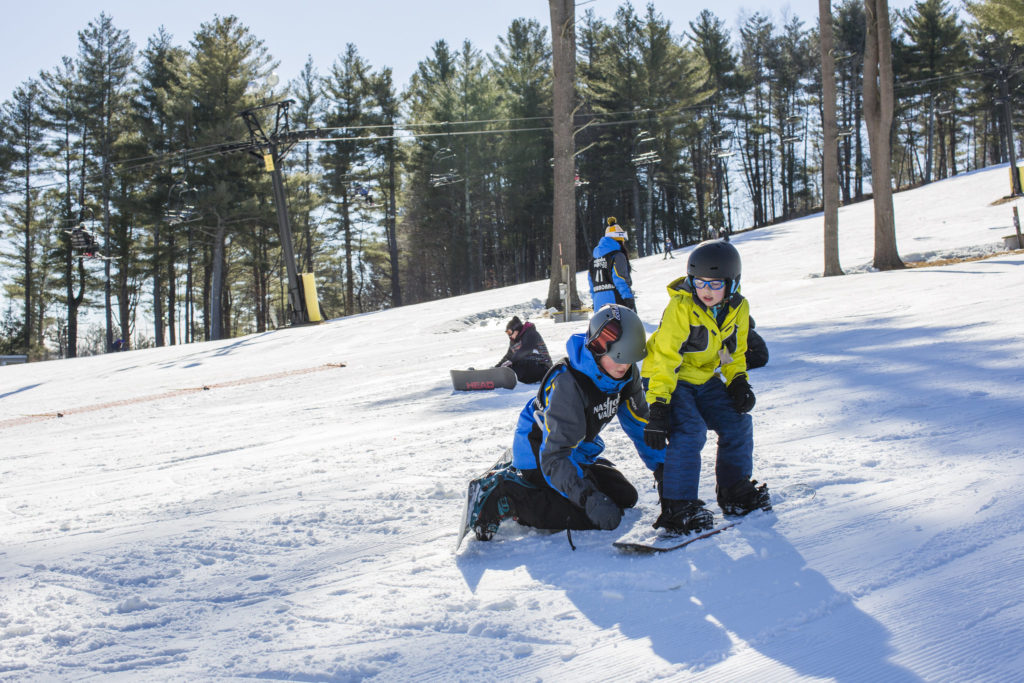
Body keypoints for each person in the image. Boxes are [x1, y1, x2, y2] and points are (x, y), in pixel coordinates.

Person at [468, 304, 664, 542]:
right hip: (538, 450)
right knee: (588, 517)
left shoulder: (626, 375)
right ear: (598, 348)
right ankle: (509, 494)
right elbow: (554, 457)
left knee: (625, 497)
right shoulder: (569, 384)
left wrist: (664, 470)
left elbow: (640, 426)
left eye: (630, 358)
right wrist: (587, 498)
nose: (624, 366)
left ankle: (576, 481)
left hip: (573, 448)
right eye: (618, 357)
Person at [641, 239, 771, 535]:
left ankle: (734, 491)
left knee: (737, 423)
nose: (706, 291)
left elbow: (732, 351)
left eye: (714, 284)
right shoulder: (681, 307)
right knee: (690, 430)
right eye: (699, 283)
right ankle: (677, 507)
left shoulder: (738, 308)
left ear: (732, 284)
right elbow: (664, 357)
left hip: (702, 377)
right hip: (667, 377)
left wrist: (737, 381)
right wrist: (659, 406)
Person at [588, 217, 635, 312]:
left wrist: (594, 300)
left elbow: (591, 283)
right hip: (616, 303)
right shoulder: (617, 256)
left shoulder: (593, 260)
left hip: (598, 305)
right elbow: (620, 279)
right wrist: (628, 298)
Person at [495, 316, 553, 384]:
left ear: (516, 330)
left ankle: (507, 377)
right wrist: (497, 368)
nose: (509, 335)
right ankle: (499, 376)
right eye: (507, 333)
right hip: (527, 371)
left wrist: (512, 361)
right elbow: (508, 357)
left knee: (521, 364)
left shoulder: (531, 333)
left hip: (542, 368)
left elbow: (526, 348)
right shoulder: (513, 342)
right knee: (511, 366)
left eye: (509, 332)